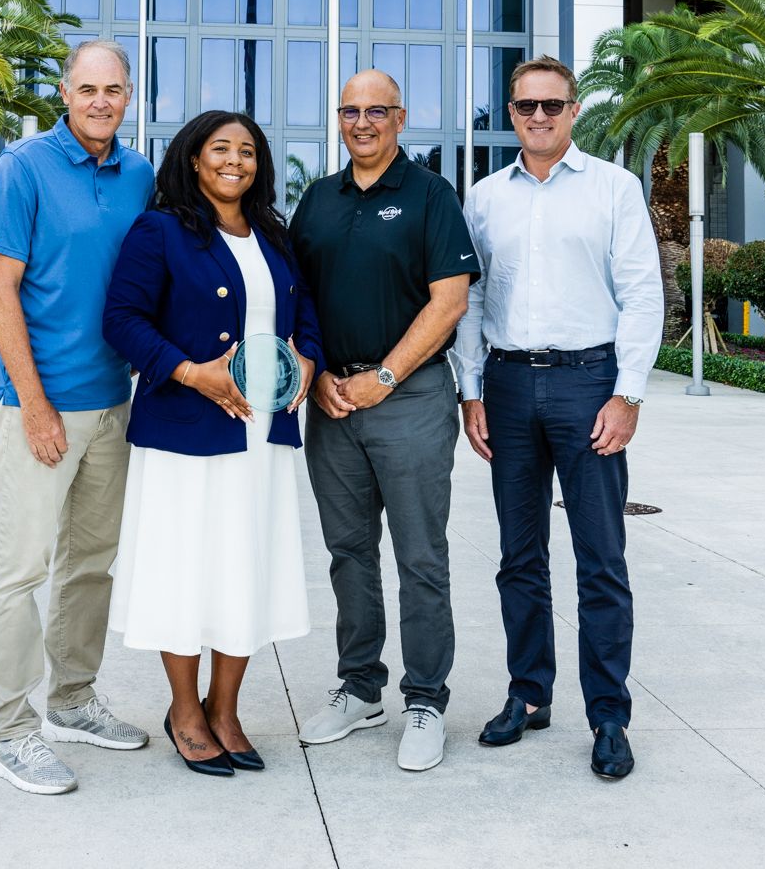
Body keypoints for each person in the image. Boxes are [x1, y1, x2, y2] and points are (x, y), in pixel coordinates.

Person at [451, 55, 663, 781]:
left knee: (601, 559)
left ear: (574, 110)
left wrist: (627, 394)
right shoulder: (483, 199)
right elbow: (471, 302)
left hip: (588, 384)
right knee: (520, 557)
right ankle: (528, 697)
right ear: (509, 113)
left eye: (552, 105)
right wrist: (470, 391)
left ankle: (608, 716)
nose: (538, 117)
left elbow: (641, 293)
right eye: (524, 106)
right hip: (507, 389)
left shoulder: (613, 188)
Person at [102, 110, 323, 778]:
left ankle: (225, 709)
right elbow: (122, 318)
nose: (236, 160)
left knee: (244, 569)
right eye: (221, 148)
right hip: (187, 435)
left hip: (263, 434)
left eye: (249, 150)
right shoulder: (160, 230)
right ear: (193, 159)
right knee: (185, 571)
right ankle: (184, 711)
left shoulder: (275, 238)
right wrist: (191, 372)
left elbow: (305, 316)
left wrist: (308, 360)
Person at [0, 40, 156, 796]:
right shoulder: (23, 168)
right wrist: (36, 405)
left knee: (90, 565)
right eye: (87, 89)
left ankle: (72, 700)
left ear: (128, 95)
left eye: (113, 90)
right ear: (63, 92)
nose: (101, 102)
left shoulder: (140, 173)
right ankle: (9, 733)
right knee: (18, 572)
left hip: (114, 404)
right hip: (38, 408)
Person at [289, 69, 479, 773]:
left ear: (400, 119)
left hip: (411, 398)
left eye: (377, 111)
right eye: (350, 110)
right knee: (348, 552)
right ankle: (360, 687)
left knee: (420, 557)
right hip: (334, 403)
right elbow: (296, 299)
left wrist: (385, 377)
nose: (362, 122)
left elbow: (449, 301)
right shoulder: (317, 200)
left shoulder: (430, 195)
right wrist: (318, 380)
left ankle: (425, 698)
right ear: (338, 118)